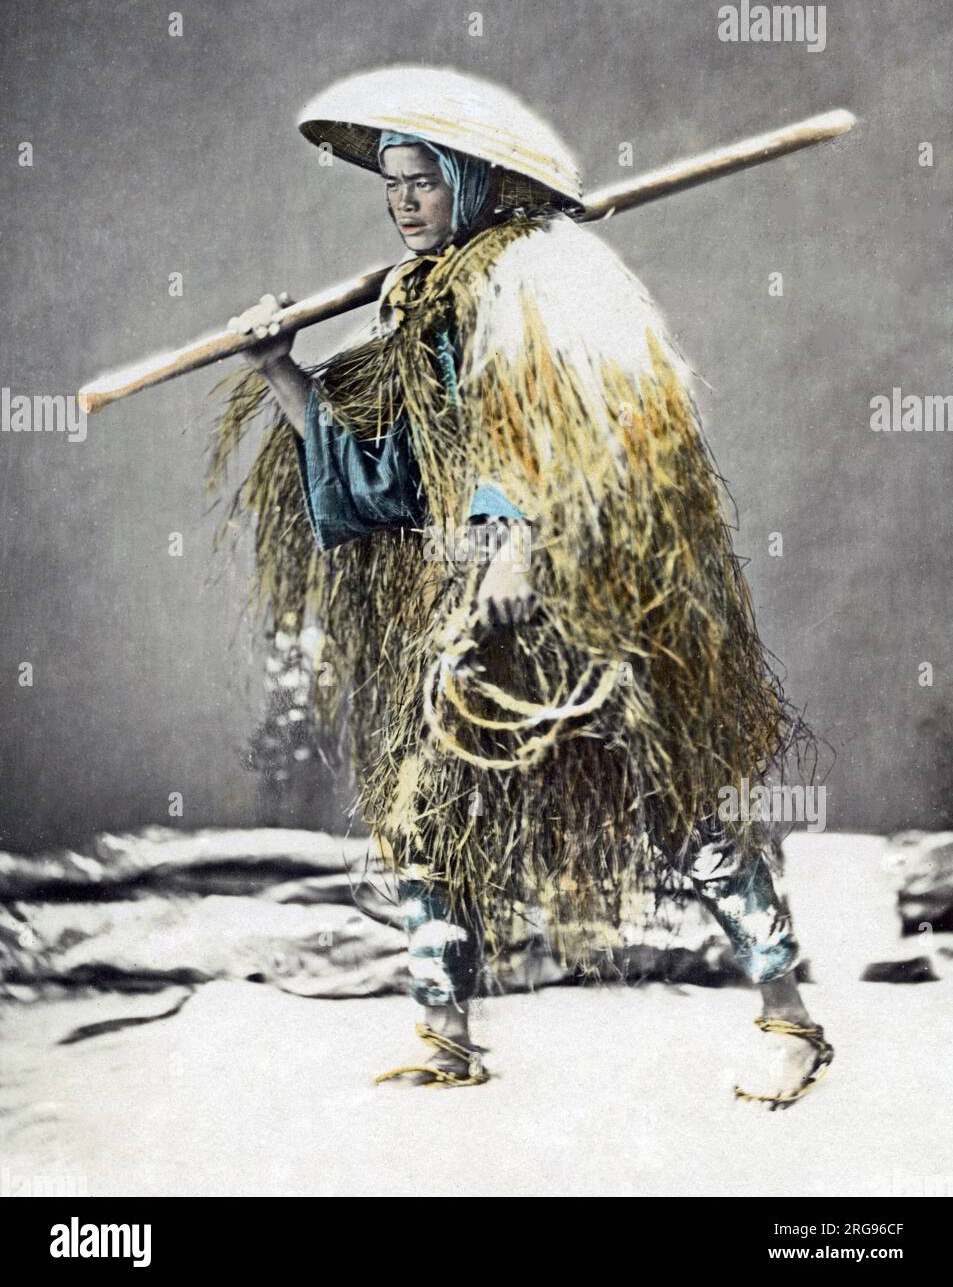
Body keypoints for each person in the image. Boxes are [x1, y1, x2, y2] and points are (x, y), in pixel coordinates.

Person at [208, 66, 833, 1109]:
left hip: (578, 585)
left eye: (423, 180)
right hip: (463, 597)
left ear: (472, 179)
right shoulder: (421, 298)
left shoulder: (543, 274)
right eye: (392, 183)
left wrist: (520, 542)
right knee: (427, 811)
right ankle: (445, 1035)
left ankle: (789, 1021)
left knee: (673, 802)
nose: (403, 202)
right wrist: (280, 367)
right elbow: (388, 481)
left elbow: (582, 423)